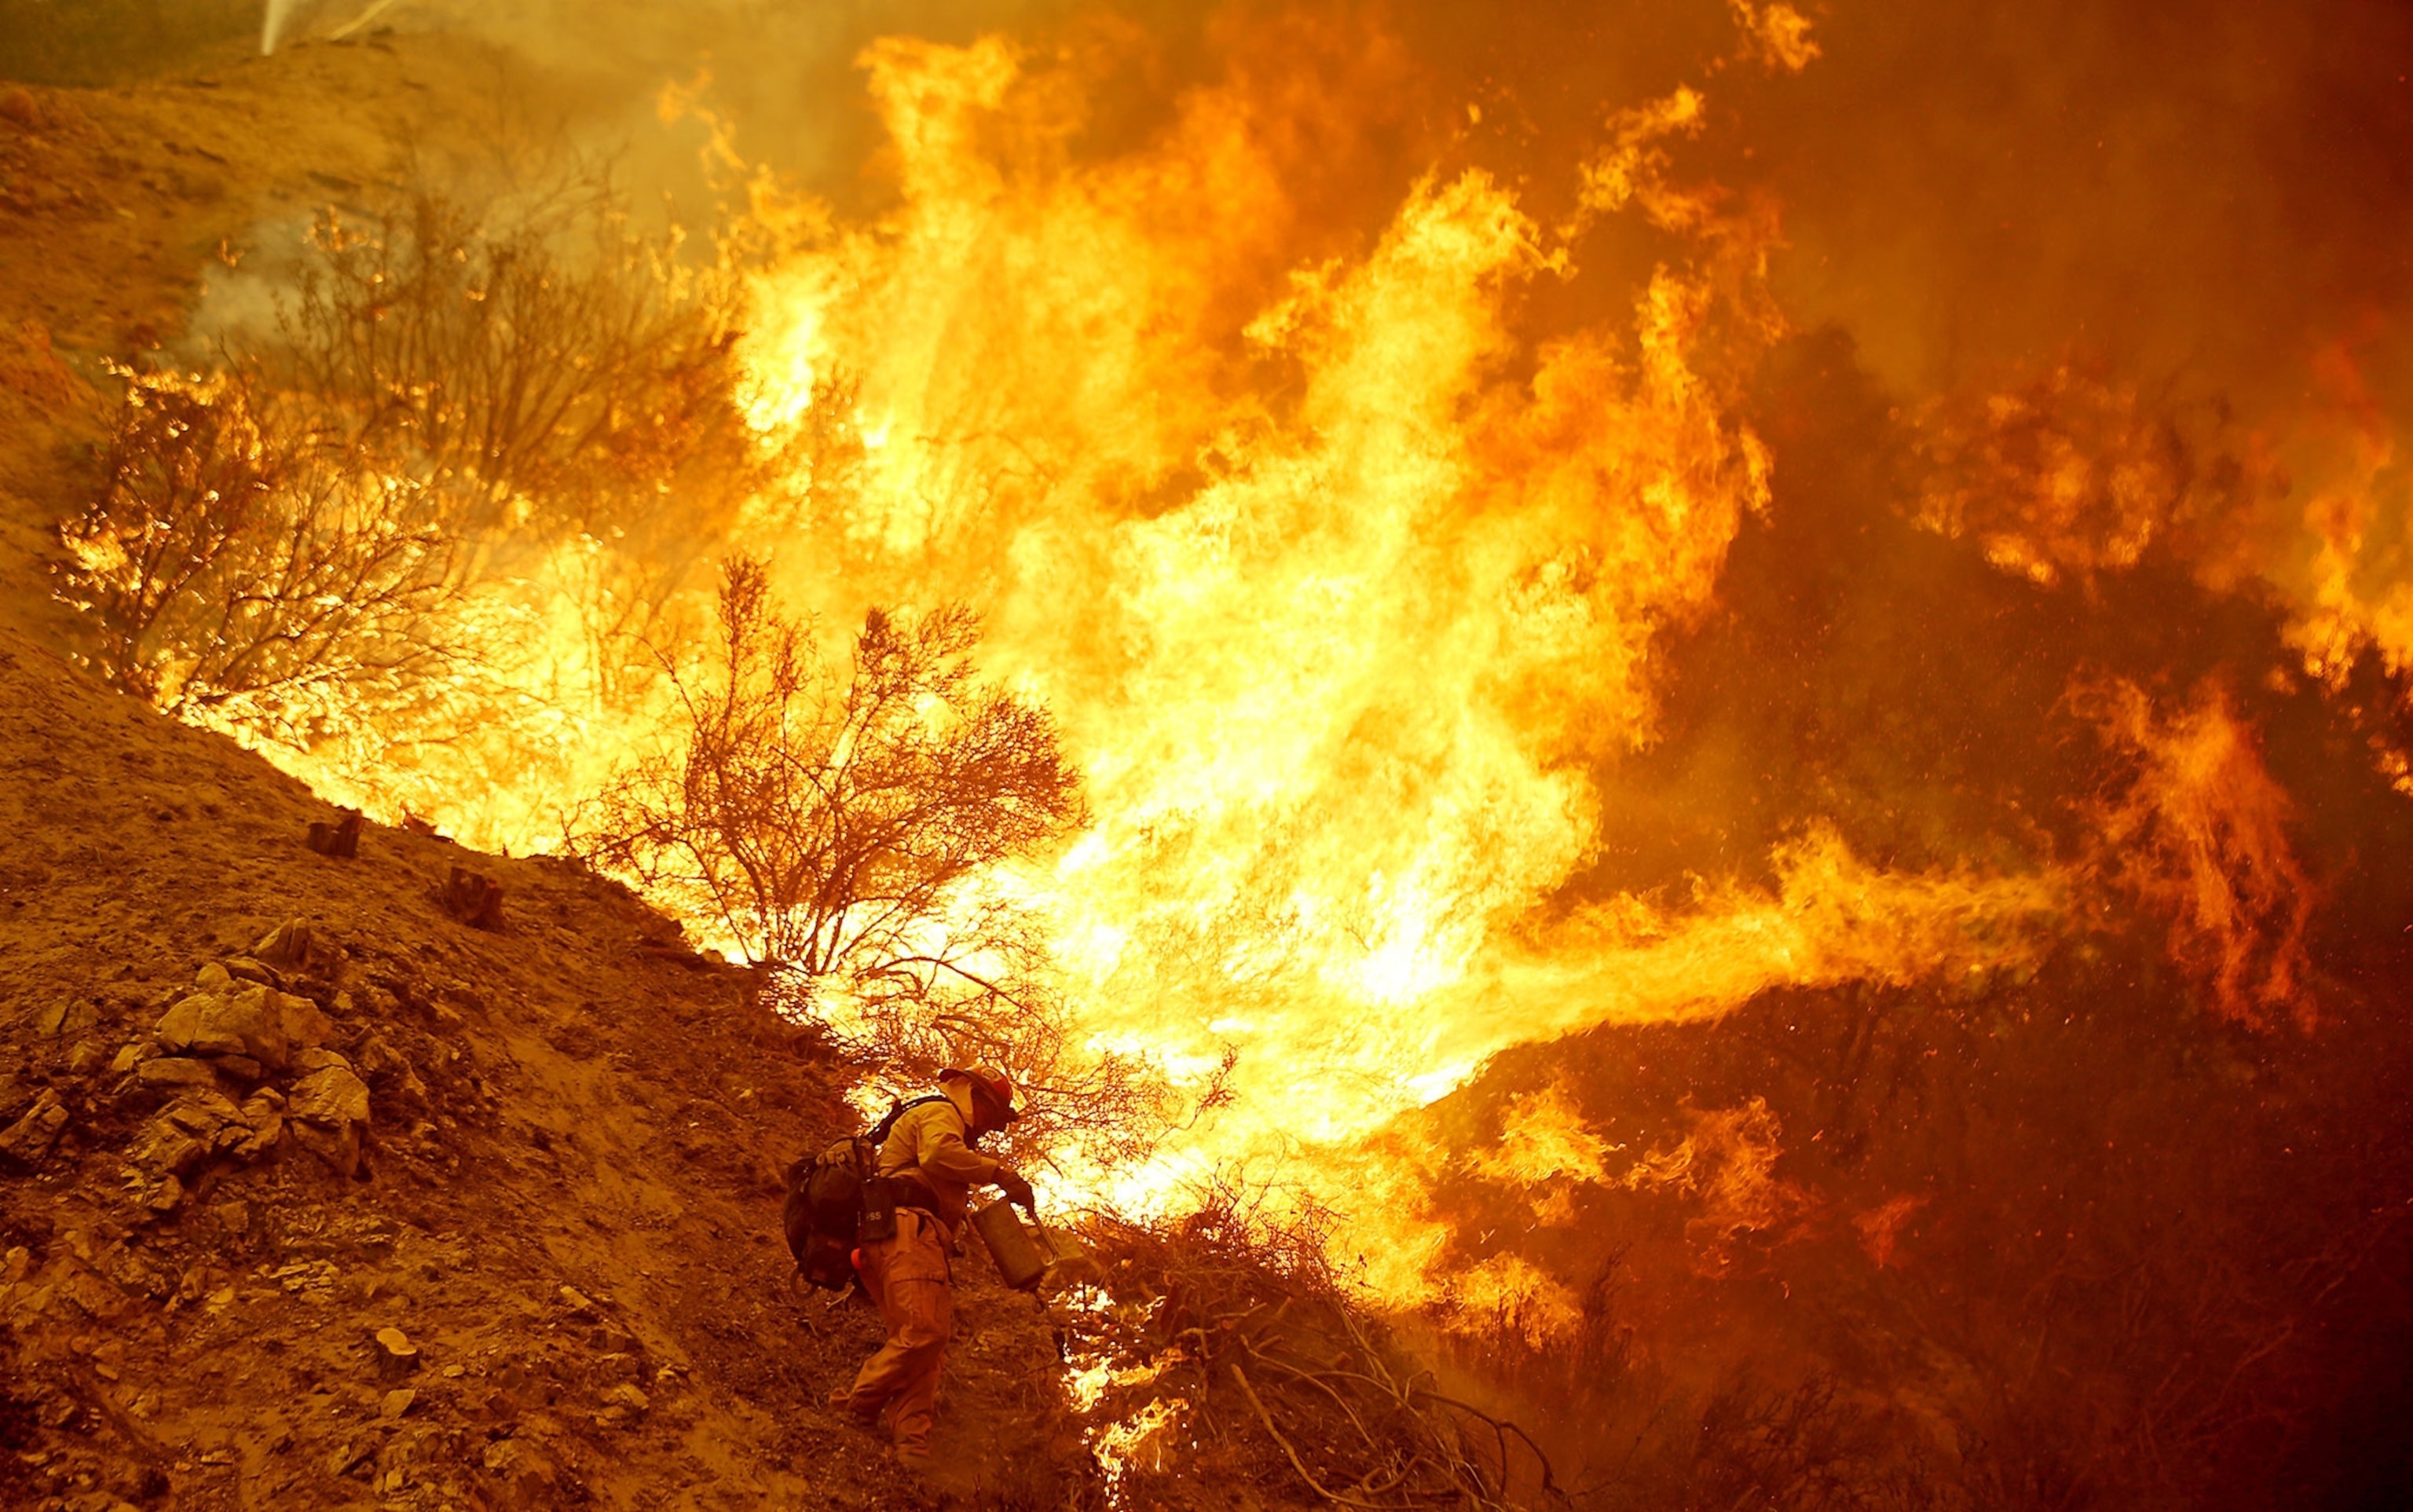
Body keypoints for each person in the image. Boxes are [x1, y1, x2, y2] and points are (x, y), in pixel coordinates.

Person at [830, 1064, 1036, 1470]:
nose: (994, 1128)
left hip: (905, 1235)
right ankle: (857, 1403)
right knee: (926, 1332)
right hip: (907, 1230)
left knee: (926, 1346)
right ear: (974, 1097)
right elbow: (938, 1155)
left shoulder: (943, 1125)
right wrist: (1000, 1173)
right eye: (994, 1115)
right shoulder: (942, 1114)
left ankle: (912, 1445)